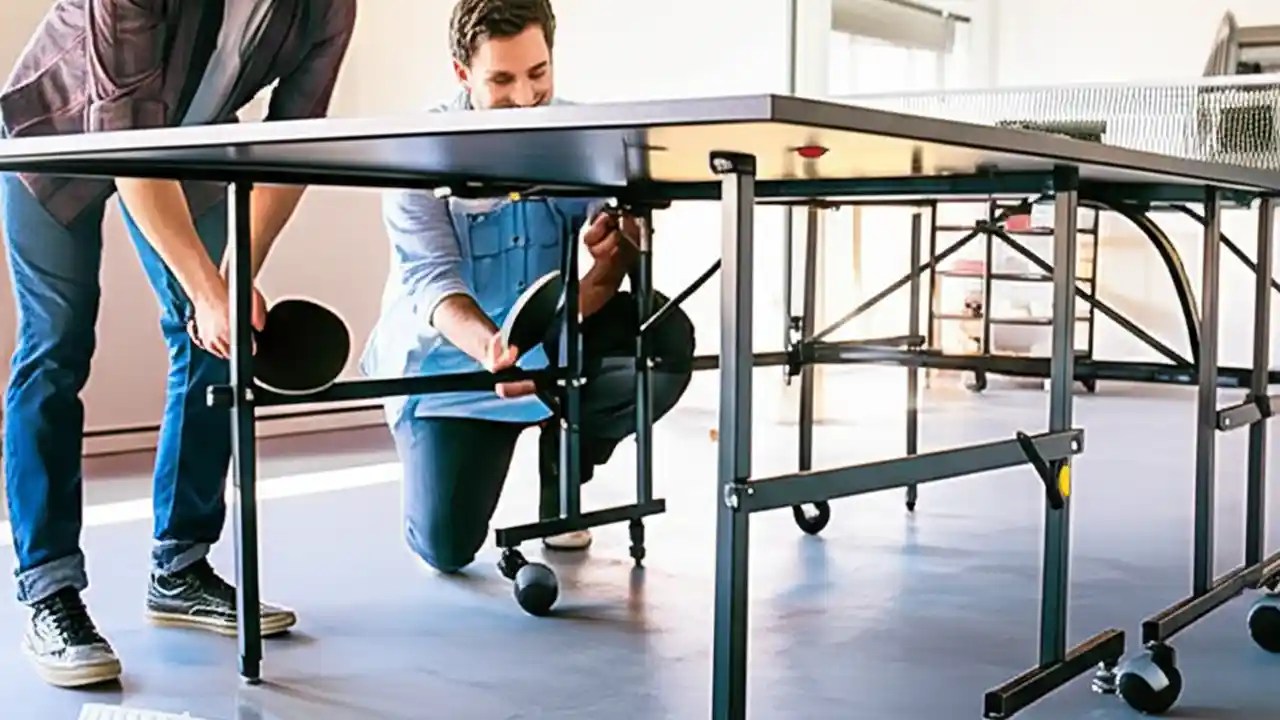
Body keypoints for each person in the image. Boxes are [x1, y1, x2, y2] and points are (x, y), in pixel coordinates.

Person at [0, 0, 357, 688]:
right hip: (59, 134)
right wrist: (205, 287)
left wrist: (234, 275)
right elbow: (125, 142)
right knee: (56, 346)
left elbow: (292, 141)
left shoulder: (329, 6)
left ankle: (180, 567)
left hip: (174, 142)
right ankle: (49, 591)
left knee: (216, 341)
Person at [360, 0, 695, 575]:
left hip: (553, 359)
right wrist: (495, 350)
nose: (524, 96)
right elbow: (432, 280)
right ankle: (485, 445)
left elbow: (600, 284)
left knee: (661, 337)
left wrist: (614, 255)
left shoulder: (586, 136)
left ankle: (564, 462)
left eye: (538, 74)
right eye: (502, 79)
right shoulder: (417, 151)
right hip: (452, 374)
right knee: (445, 548)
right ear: (463, 74)